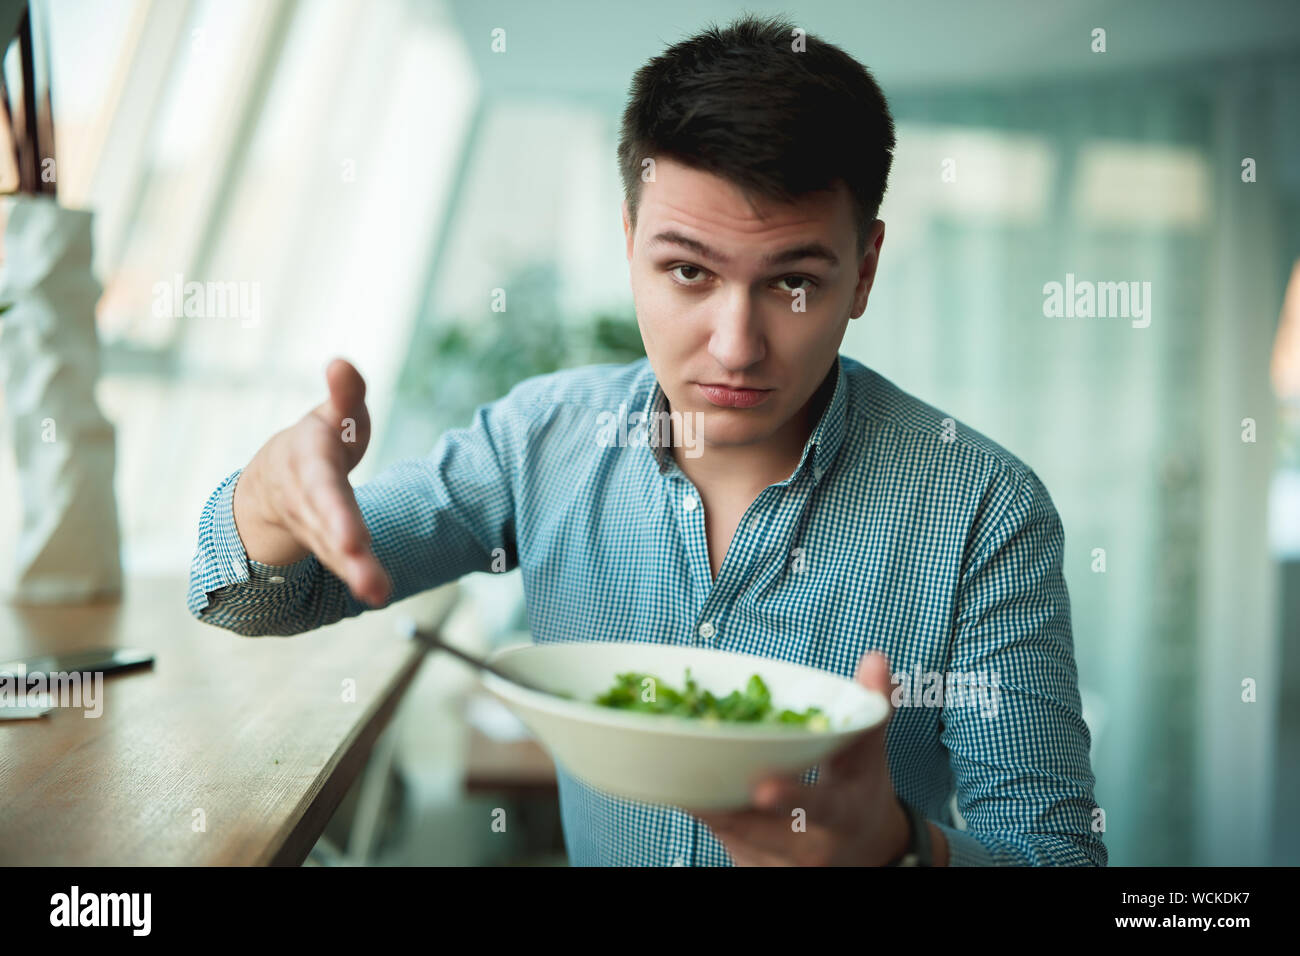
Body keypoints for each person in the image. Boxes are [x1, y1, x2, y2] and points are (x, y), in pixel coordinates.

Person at [188, 13, 1105, 867]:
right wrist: (269, 502)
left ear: (863, 271)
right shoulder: (538, 440)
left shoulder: (985, 509)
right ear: (629, 243)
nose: (736, 345)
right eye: (688, 272)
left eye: (793, 283)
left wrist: (903, 851)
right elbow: (257, 599)